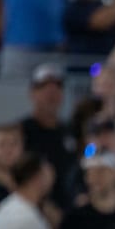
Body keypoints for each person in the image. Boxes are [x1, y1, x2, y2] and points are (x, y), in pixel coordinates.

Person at [20, 64, 78, 213]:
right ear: (32, 93)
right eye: (44, 88)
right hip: (32, 207)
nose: (51, 93)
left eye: (57, 87)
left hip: (67, 208)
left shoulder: (70, 132)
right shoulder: (21, 132)